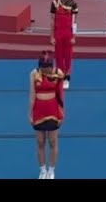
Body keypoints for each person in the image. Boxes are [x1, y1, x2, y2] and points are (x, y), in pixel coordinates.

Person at [28, 50, 66, 179]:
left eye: (47, 68)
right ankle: (42, 170)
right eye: (43, 68)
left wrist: (61, 113)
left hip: (53, 111)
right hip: (39, 111)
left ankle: (51, 170)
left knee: (53, 141)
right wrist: (30, 113)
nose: (45, 71)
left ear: (51, 66)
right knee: (40, 142)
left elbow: (60, 95)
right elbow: (32, 95)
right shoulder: (34, 74)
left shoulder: (58, 74)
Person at [49, 0, 79, 89]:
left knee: (68, 56)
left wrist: (74, 36)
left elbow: (74, 22)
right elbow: (52, 21)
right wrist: (52, 36)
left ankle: (67, 77)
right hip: (58, 33)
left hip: (68, 34)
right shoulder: (54, 4)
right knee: (58, 56)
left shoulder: (73, 4)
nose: (61, 0)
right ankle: (60, 76)